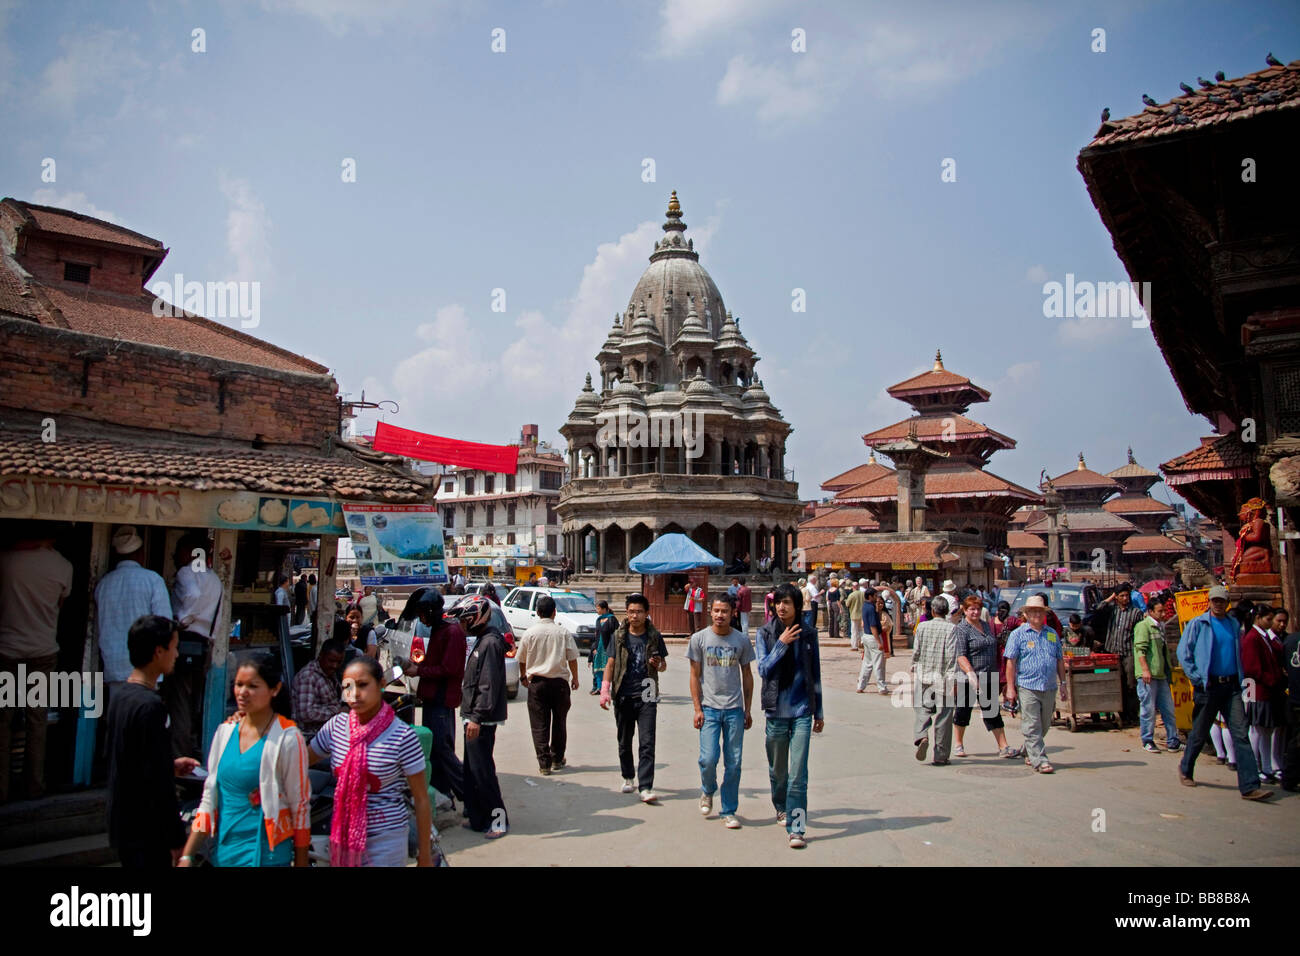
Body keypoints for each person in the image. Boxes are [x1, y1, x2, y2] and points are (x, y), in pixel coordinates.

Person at [182, 653, 310, 867]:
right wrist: (188, 855)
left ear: (274, 689)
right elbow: (209, 798)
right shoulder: (224, 733)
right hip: (224, 853)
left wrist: (301, 862)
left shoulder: (288, 738)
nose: (243, 692)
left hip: (266, 854)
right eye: (239, 684)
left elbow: (300, 806)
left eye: (252, 686)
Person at [306, 655, 434, 864]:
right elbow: (300, 761)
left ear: (381, 684)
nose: (355, 694)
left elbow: (420, 799)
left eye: (363, 685)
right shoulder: (336, 727)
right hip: (343, 837)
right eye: (348, 686)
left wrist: (425, 855)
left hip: (386, 841)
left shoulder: (402, 737)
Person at [104, 615, 199, 867]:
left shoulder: (120, 697)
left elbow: (129, 759)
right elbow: (158, 783)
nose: (177, 654)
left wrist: (170, 764)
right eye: (174, 647)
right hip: (146, 830)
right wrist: (177, 839)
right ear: (159, 652)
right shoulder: (151, 707)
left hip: (123, 824)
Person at [1176, 586, 1273, 800]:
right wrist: (1196, 677)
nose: (1218, 604)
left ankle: (1249, 786)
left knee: (1241, 733)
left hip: (1231, 687)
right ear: (1209, 602)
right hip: (1208, 686)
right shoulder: (1198, 624)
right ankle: (1186, 767)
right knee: (1200, 732)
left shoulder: (1233, 625)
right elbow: (1183, 653)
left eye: (1222, 601)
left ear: (1227, 603)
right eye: (1215, 601)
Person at [0, 522, 73, 803]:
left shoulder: (6, 561)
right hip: (42, 652)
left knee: (3, 721)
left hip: (7, 651)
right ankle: (34, 786)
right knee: (36, 721)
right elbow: (59, 607)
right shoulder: (63, 566)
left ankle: (2, 789)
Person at [755, 582, 824, 849]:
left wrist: (819, 710)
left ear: (797, 606)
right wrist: (781, 645)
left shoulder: (808, 634)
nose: (782, 607)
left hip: (802, 710)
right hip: (775, 711)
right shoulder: (765, 633)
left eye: (787, 603)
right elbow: (763, 669)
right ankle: (780, 805)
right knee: (778, 770)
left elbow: (815, 673)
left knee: (798, 774)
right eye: (778, 602)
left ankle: (797, 829)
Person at [688, 593, 755, 829]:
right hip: (709, 708)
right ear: (710, 611)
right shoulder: (699, 639)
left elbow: (747, 675)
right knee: (708, 759)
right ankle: (707, 790)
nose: (719, 615)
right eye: (716, 611)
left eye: (724, 611)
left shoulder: (742, 640)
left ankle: (728, 809)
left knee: (734, 762)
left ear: (733, 613)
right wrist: (697, 708)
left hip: (735, 709)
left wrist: (748, 709)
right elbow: (694, 675)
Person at [600, 593, 668, 802]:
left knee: (647, 741)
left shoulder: (654, 636)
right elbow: (610, 663)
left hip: (647, 690)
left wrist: (659, 665)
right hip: (623, 692)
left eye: (639, 612)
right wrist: (605, 689)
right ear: (626, 613)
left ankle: (646, 786)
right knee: (624, 740)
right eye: (631, 612)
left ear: (647, 613)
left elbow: (664, 665)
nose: (634, 616)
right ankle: (628, 776)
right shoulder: (619, 636)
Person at [402, 587, 467, 806]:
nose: (421, 617)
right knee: (434, 752)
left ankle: (470, 795)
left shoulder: (452, 633)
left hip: (442, 700)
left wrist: (418, 671)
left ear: (431, 610)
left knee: (443, 750)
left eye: (422, 613)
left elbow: (449, 669)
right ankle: (443, 794)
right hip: (431, 700)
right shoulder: (439, 631)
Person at [455, 596, 510, 837]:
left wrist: (476, 717)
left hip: (482, 719)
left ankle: (499, 821)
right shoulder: (482, 641)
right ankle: (477, 817)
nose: (463, 624)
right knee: (471, 771)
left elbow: (488, 684)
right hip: (473, 715)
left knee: (483, 772)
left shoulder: (490, 643)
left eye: (466, 619)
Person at [166, 533, 223, 759]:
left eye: (178, 552)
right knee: (192, 704)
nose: (174, 557)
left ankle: (179, 759)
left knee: (178, 704)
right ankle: (191, 750)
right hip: (204, 647)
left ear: (190, 552)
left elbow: (191, 594)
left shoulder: (187, 572)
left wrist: (180, 621)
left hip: (185, 643)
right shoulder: (214, 578)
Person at [96, 526, 173, 691]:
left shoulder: (104, 584)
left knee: (119, 714)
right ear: (141, 553)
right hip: (145, 668)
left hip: (114, 666)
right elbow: (165, 624)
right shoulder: (152, 580)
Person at [1003, 594, 1068, 774]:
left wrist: (1063, 683)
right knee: (1032, 725)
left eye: (1039, 611)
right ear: (1026, 614)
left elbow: (1059, 660)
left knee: (1045, 724)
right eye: (1032, 611)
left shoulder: (1052, 634)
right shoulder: (1018, 635)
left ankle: (1028, 750)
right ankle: (1040, 760)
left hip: (1048, 686)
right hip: (1027, 686)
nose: (1036, 615)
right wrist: (1010, 688)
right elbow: (1011, 661)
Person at [517, 594, 579, 776]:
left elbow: (521, 658)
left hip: (537, 683)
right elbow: (572, 658)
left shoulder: (530, 633)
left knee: (539, 724)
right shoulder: (562, 632)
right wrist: (575, 678)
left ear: (537, 612)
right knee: (559, 722)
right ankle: (557, 759)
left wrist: (523, 677)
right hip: (559, 684)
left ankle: (544, 763)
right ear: (554, 612)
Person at [953, 595, 1016, 758]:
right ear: (965, 610)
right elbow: (960, 655)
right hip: (969, 678)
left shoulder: (986, 626)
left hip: (989, 675)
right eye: (971, 609)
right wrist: (971, 674)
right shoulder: (961, 629)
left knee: (992, 711)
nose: (975, 612)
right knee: (963, 711)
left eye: (978, 609)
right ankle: (958, 744)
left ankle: (1003, 746)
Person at [1242, 605, 1286, 785]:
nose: (1272, 623)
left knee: (1266, 731)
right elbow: (1252, 668)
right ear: (1258, 618)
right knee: (1257, 730)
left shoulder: (1264, 637)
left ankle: (1267, 767)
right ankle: (1257, 766)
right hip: (1258, 688)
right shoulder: (1252, 637)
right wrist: (1271, 679)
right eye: (1269, 619)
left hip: (1266, 689)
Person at [911, 596, 957, 766]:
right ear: (946, 611)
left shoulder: (922, 626)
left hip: (925, 675)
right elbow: (952, 656)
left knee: (923, 709)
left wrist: (913, 665)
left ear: (932, 611)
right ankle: (941, 755)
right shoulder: (951, 629)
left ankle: (921, 735)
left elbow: (916, 651)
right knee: (944, 714)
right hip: (943, 677)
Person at [1133, 599, 1182, 754]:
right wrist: (1145, 670)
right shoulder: (1143, 626)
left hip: (1161, 674)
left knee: (1168, 709)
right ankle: (1147, 740)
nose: (1163, 614)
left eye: (1163, 611)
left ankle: (1173, 740)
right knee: (1148, 709)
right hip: (1148, 675)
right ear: (1151, 611)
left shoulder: (1160, 626)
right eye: (1159, 611)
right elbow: (1140, 650)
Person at [1100, 584, 1143, 723]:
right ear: (1117, 597)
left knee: (1130, 684)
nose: (1125, 598)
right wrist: (1111, 596)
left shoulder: (1136, 612)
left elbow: (1140, 632)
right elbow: (1098, 608)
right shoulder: (1112, 611)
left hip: (1129, 652)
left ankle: (1132, 715)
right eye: (1122, 596)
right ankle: (1120, 713)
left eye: (1127, 595)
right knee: (1117, 684)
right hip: (1113, 653)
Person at [292, 638, 346, 743]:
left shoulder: (329, 674)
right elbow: (306, 713)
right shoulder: (308, 677)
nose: (335, 665)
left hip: (328, 732)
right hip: (311, 736)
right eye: (331, 661)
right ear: (321, 655)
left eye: (339, 662)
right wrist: (337, 712)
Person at [856, 587, 888, 694]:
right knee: (878, 663)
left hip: (866, 636)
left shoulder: (866, 606)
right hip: (873, 637)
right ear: (870, 596)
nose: (876, 598)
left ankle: (861, 685)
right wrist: (879, 642)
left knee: (867, 663)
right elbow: (873, 626)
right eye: (875, 596)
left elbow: (875, 621)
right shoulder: (870, 608)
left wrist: (878, 610)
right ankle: (881, 686)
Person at [1281, 621, 1300, 792]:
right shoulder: (1290, 641)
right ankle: (1289, 778)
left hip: (1293, 695)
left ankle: (1289, 778)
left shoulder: (1288, 641)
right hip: (1296, 697)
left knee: (1295, 741)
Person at [591, 600, 616, 695]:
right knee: (597, 668)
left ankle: (610, 687)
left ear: (604, 609)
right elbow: (597, 635)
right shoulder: (598, 620)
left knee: (609, 668)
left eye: (598, 608)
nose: (596, 610)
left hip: (608, 648)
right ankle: (598, 687)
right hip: (599, 648)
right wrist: (595, 648)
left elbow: (615, 635)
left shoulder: (612, 619)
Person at [845, 579, 866, 651]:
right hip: (862, 615)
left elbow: (847, 604)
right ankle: (864, 644)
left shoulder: (851, 595)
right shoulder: (863, 594)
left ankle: (854, 646)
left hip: (854, 615)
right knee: (862, 631)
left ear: (853, 587)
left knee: (854, 631)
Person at [825, 577, 842, 643]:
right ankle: (836, 634)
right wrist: (840, 608)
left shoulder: (829, 590)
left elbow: (827, 599)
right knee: (836, 619)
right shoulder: (836, 590)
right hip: (835, 604)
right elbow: (838, 600)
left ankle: (831, 633)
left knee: (831, 619)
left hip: (830, 604)